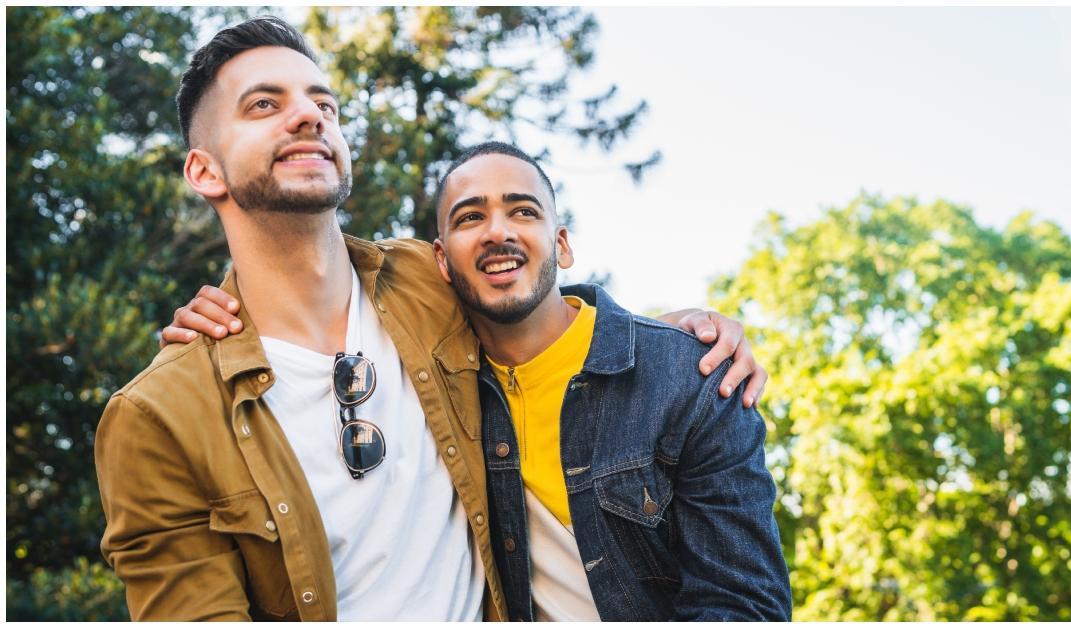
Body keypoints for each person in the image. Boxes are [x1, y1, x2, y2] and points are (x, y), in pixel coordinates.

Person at [97, 16, 764, 622]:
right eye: (265, 105)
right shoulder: (160, 418)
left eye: (323, 103)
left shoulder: (426, 282)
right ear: (204, 170)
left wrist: (678, 333)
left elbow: (541, 305)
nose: (308, 116)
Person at [432, 142, 791, 620]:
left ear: (561, 245)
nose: (498, 231)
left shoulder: (690, 377)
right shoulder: (435, 391)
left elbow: (744, 604)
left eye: (522, 211)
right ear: (440, 260)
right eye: (470, 218)